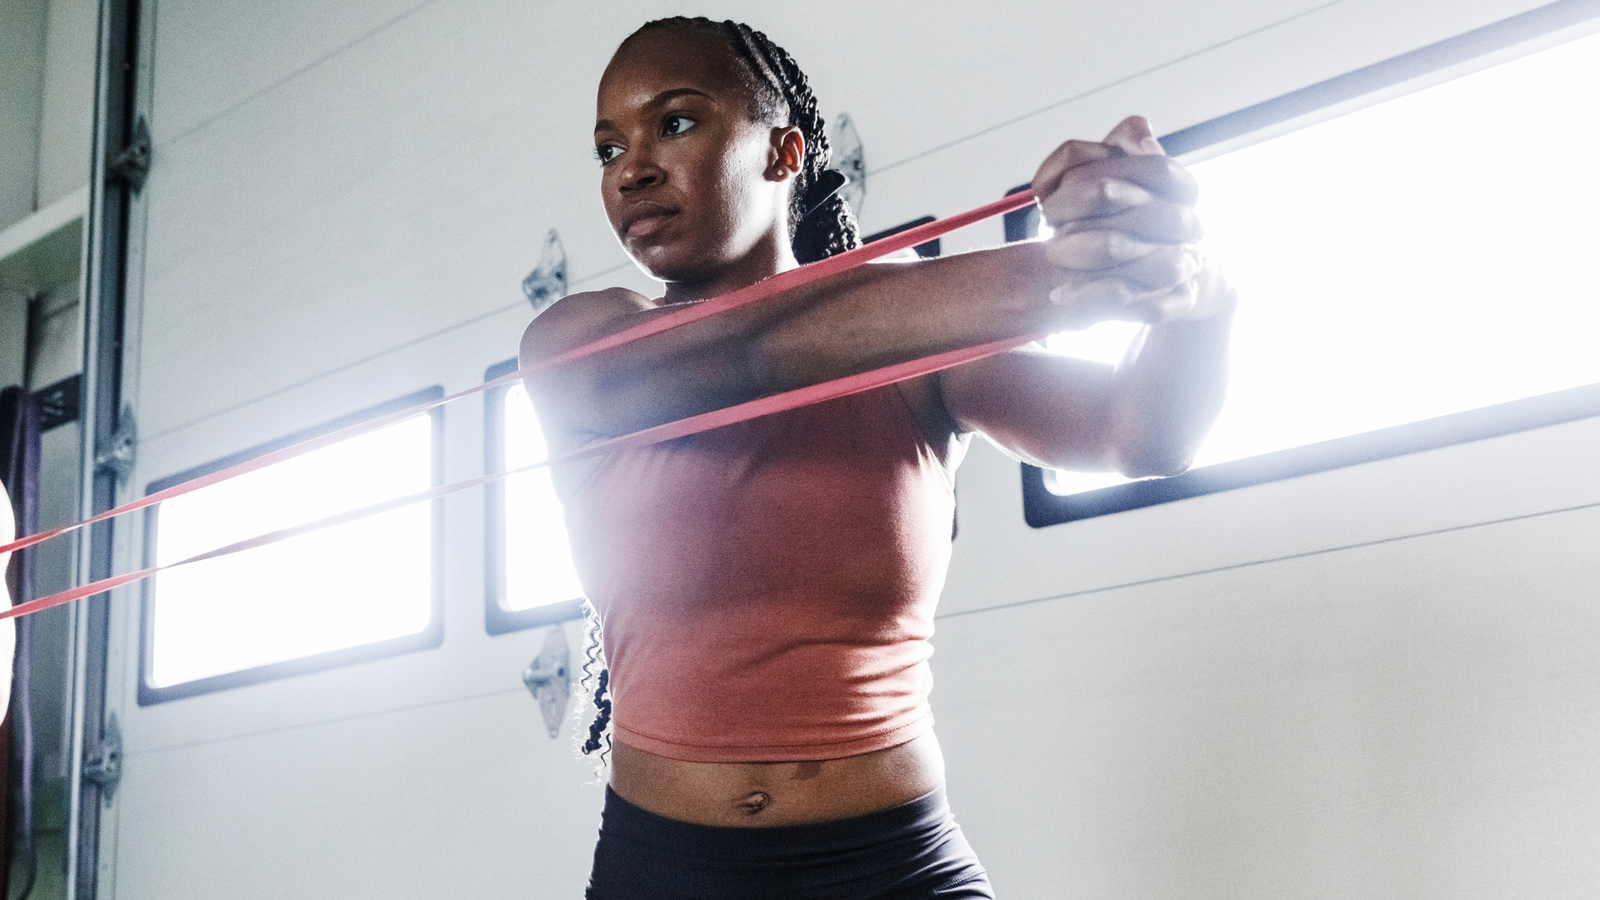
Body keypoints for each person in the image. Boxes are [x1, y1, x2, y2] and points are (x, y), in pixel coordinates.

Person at [519, 16, 1236, 899]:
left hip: (894, 866)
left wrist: (1198, 297)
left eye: (675, 123)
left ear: (784, 153)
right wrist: (1078, 273)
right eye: (607, 147)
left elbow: (1141, 436)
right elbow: (753, 357)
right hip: (666, 868)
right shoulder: (579, 346)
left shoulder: (912, 339)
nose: (631, 166)